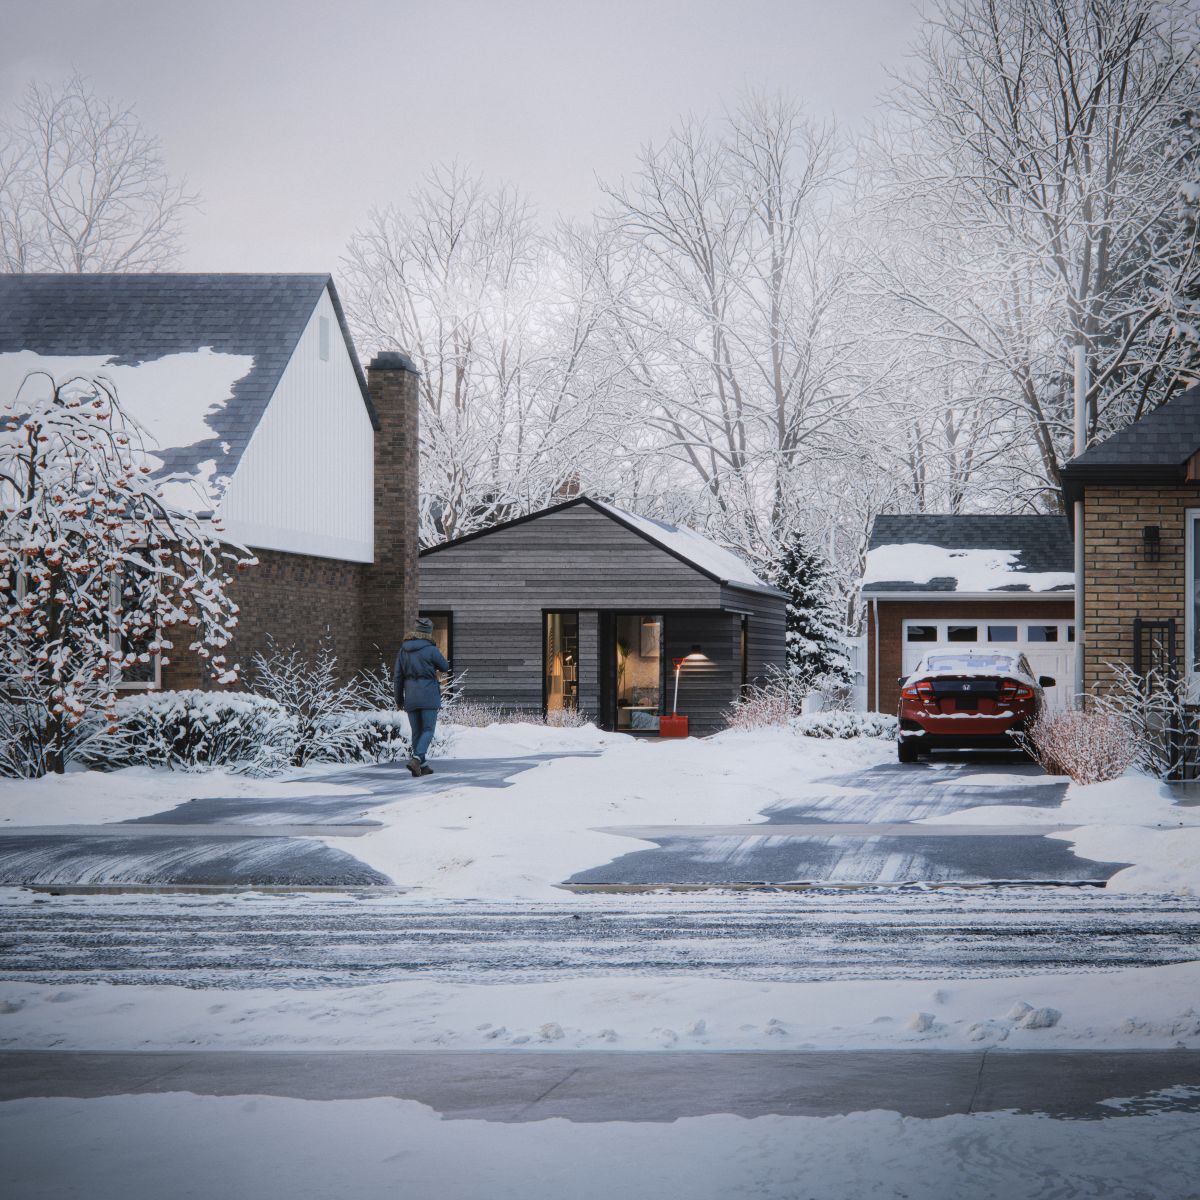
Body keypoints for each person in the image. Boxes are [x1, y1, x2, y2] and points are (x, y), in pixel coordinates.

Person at [394, 617, 451, 777]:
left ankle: (423, 766)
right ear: (428, 632)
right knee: (428, 729)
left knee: (417, 732)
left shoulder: (403, 649)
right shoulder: (431, 649)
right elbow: (445, 667)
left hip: (411, 695)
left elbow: (398, 677)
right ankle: (417, 758)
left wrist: (399, 699)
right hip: (428, 695)